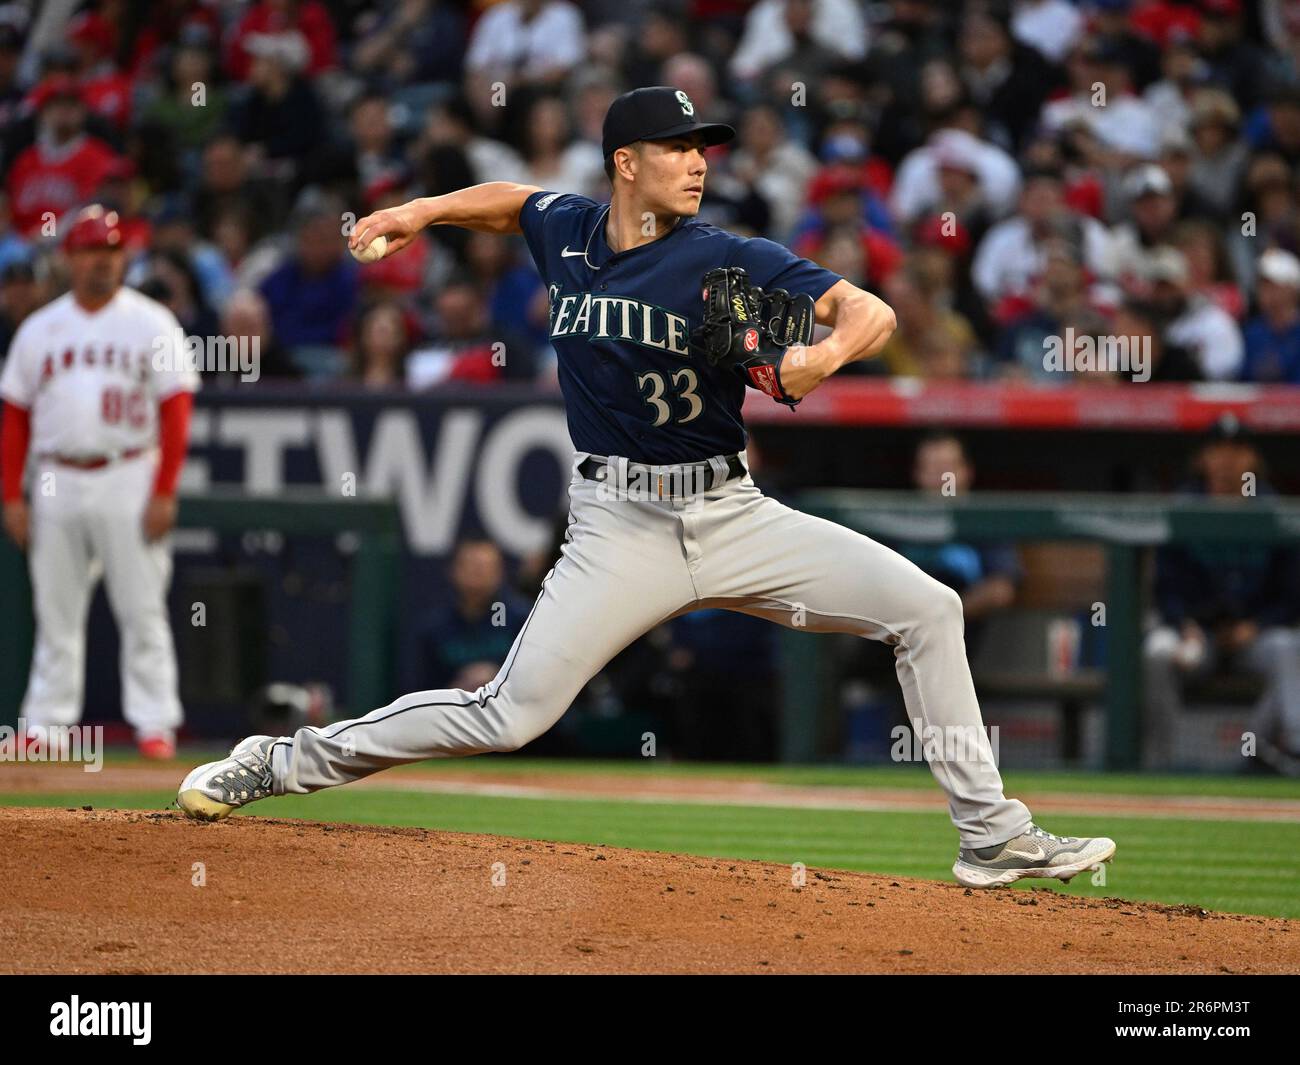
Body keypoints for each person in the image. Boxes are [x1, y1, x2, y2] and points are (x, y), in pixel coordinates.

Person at [177, 86, 1116, 890]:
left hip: (732, 511)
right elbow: (511, 200)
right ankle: (279, 759)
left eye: (703, 147)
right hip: (618, 526)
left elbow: (869, 309)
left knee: (930, 608)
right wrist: (419, 211)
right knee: (509, 714)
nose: (698, 161)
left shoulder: (723, 257)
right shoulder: (571, 232)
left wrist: (820, 357)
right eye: (678, 148)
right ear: (625, 162)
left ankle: (990, 838)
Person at [0, 205, 197, 759]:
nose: (102, 262)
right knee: (55, 609)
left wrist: (164, 489)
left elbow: (177, 408)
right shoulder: (41, 328)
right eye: (90, 250)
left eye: (111, 251)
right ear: (69, 257)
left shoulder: (151, 321)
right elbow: (14, 416)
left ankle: (155, 724)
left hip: (128, 469)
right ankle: (46, 725)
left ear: (124, 256)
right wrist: (11, 494)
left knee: (142, 606)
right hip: (57, 473)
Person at [1142, 415, 1300, 774]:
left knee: (1290, 649)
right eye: (1218, 450)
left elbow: (1291, 595)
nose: (1227, 460)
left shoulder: (1273, 511)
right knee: (1156, 652)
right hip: (1197, 634)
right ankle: (1164, 763)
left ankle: (1277, 750)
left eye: (1238, 450)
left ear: (1253, 460)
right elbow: (1165, 587)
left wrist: (1256, 625)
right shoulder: (1183, 509)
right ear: (1203, 458)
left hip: (1253, 636)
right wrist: (1184, 624)